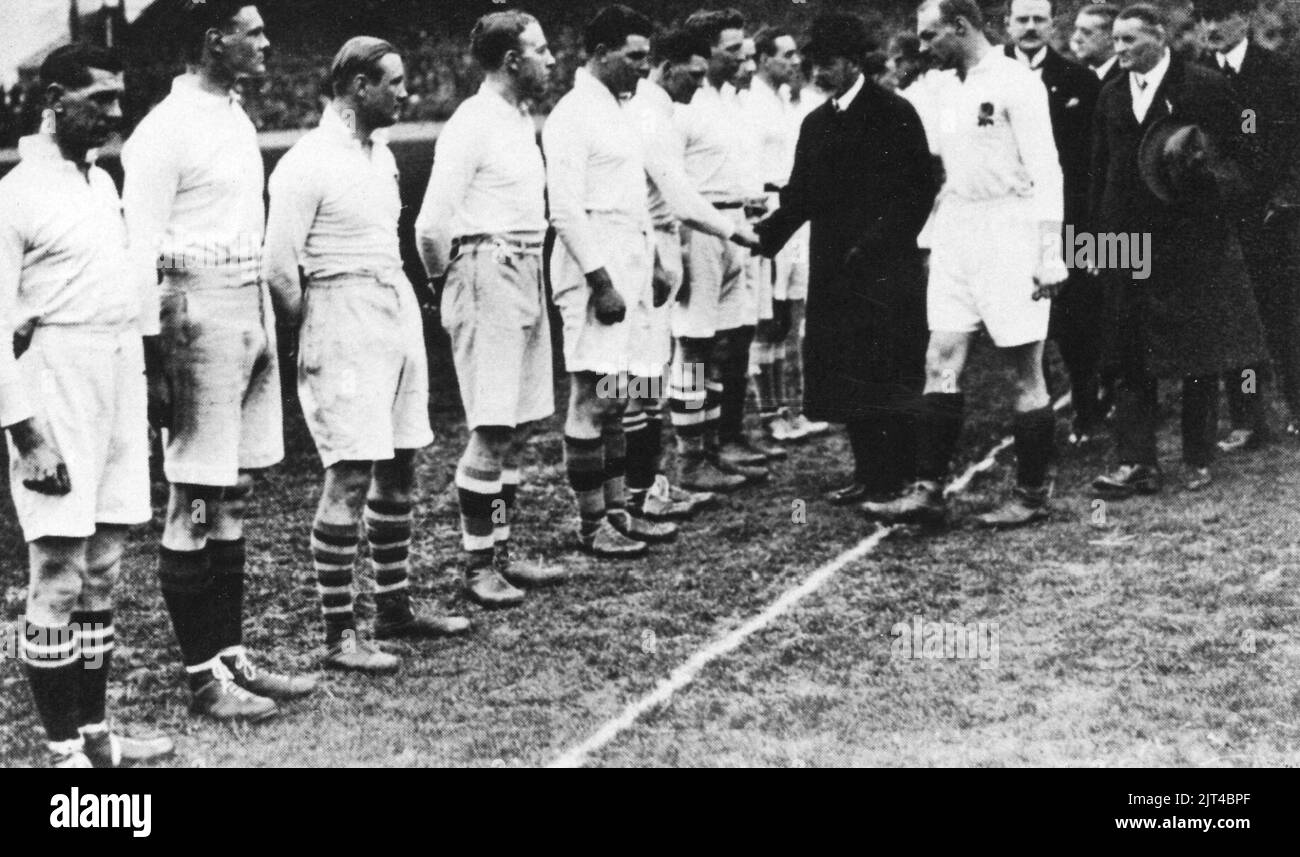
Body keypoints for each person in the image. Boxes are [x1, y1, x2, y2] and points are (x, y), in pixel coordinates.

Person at [122, 0, 314, 720]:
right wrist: (156, 362)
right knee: (195, 497)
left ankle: (230, 655)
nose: (266, 43)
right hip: (193, 310)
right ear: (214, 40)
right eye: (253, 33)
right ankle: (202, 675)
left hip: (245, 306)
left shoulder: (232, 116)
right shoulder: (162, 132)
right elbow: (140, 251)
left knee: (231, 491)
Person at [265, 37, 471, 672]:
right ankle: (338, 636)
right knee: (351, 473)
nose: (405, 93)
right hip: (340, 314)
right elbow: (278, 267)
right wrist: (316, 332)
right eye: (395, 82)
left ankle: (394, 608)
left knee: (401, 460)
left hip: (393, 306)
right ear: (359, 85)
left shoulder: (379, 155)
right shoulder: (304, 162)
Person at [0, 43, 174, 768]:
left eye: (118, 99)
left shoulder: (103, 183)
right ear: (53, 97)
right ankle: (63, 750)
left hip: (115, 374)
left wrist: (148, 373)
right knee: (59, 571)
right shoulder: (16, 193)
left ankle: (99, 735)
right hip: (55, 383)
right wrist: (27, 430)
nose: (113, 113)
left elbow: (124, 293)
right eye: (98, 99)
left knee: (103, 566)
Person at [861, 0, 1067, 528]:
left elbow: (1048, 172)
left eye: (930, 37)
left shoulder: (1016, 82)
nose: (923, 48)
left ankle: (1032, 492)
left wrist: (1050, 255)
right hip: (958, 229)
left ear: (960, 27)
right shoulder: (943, 88)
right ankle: (929, 491)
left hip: (1010, 229)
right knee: (941, 360)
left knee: (1023, 370)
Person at [415, 11, 571, 607]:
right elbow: (431, 224)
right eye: (542, 48)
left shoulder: (517, 118)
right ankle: (478, 565)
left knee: (519, 425)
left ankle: (502, 552)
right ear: (512, 60)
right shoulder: (471, 122)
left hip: (526, 266)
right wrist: (447, 283)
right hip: (486, 269)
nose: (552, 59)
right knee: (491, 426)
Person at [756, 12, 938, 507]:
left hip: (884, 265)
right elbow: (801, 196)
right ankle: (867, 472)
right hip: (834, 265)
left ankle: (895, 474)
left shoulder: (894, 112)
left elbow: (918, 190)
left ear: (854, 62)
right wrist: (763, 236)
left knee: (888, 366)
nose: (818, 73)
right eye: (813, 64)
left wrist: (875, 244)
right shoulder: (816, 122)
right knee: (848, 367)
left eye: (829, 63)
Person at [1089, 4, 1267, 496]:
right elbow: (1097, 176)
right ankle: (1135, 462)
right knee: (1127, 351)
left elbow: (1242, 154)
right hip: (1127, 243)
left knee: (1197, 354)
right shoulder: (1109, 97)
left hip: (1193, 240)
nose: (1119, 50)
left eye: (1129, 41)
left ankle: (1197, 457)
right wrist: (1092, 250)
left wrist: (1209, 184)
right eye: (1116, 41)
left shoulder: (1205, 87)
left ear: (1160, 38)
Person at [543, 5, 678, 557]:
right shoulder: (572, 114)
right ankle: (591, 523)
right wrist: (602, 282)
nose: (643, 69)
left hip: (627, 265)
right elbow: (566, 211)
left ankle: (620, 512)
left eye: (647, 58)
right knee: (593, 399)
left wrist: (652, 267)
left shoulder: (620, 109)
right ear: (600, 53)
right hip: (590, 270)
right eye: (634, 57)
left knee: (621, 396)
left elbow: (633, 205)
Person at [627, 26, 764, 505]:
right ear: (669, 67)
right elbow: (677, 194)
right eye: (694, 73)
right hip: (674, 235)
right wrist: (725, 233)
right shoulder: (649, 112)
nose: (699, 84)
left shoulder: (666, 108)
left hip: (695, 227)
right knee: (684, 348)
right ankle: (683, 461)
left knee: (702, 347)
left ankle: (700, 451)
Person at [673, 8, 773, 485]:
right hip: (700, 230)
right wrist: (684, 246)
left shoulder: (731, 101)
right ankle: (689, 458)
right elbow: (674, 187)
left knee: (724, 341)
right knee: (693, 343)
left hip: (737, 226)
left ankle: (713, 446)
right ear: (705, 52)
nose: (742, 58)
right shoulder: (683, 105)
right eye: (732, 49)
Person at [1196, 0, 1300, 450]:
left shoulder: (1279, 71)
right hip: (1221, 218)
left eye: (1220, 16)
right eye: (1203, 18)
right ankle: (1248, 420)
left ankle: (1297, 408)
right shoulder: (1193, 75)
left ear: (1246, 19)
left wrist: (1287, 197)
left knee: (1284, 317)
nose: (1211, 27)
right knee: (1235, 323)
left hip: (1276, 218)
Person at [1005, 0, 1106, 445]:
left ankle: (1087, 414)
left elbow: (1089, 161)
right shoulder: (990, 77)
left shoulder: (1078, 80)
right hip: (1008, 220)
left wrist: (1083, 231)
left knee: (1076, 322)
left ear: (1052, 25)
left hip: (1068, 221)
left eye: (1038, 19)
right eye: (1021, 19)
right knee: (1022, 323)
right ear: (1006, 24)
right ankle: (1036, 419)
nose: (1030, 27)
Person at [745, 25, 829, 447]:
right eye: (786, 55)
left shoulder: (782, 101)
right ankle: (768, 414)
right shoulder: (749, 103)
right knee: (768, 318)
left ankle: (785, 410)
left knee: (784, 319)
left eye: (797, 55)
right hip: (767, 210)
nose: (795, 62)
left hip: (792, 211)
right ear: (763, 58)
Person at [1072, 3, 1124, 82]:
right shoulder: (1074, 76)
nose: (1076, 38)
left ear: (1111, 37)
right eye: (1076, 30)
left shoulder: (1126, 78)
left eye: (1086, 32)